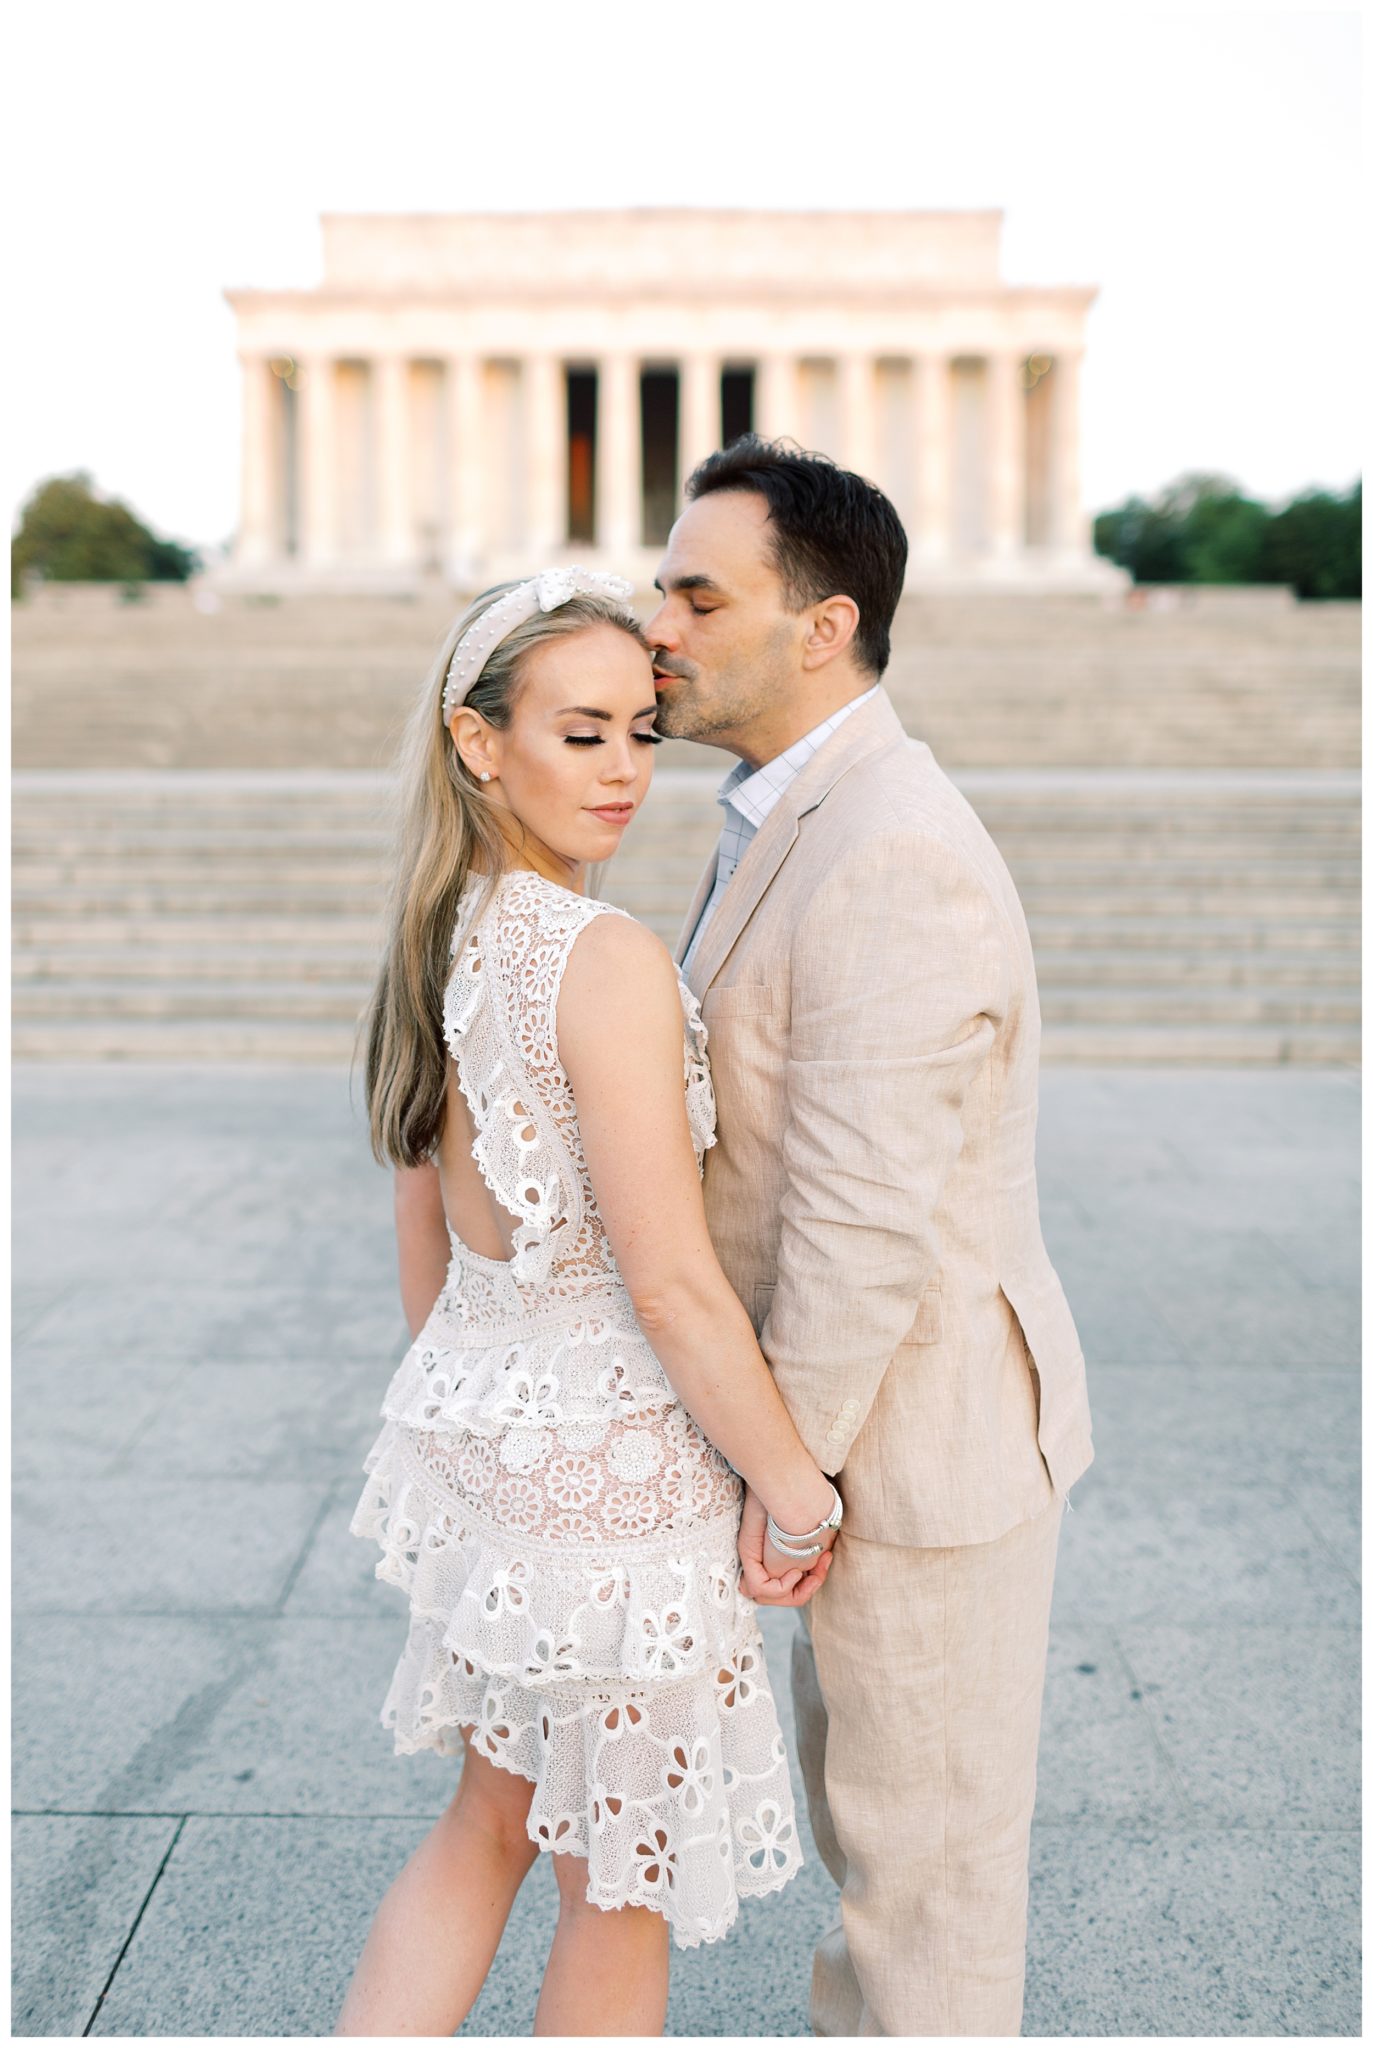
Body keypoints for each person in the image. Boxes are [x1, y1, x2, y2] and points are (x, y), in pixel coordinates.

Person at [338, 566, 839, 2039]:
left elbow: (427, 1226)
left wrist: (485, 1429)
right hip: (613, 1482)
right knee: (615, 1884)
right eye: (580, 733)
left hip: (488, 1437)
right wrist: (794, 1494)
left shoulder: (442, 928)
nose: (624, 769)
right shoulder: (598, 958)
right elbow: (671, 1285)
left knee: (487, 1828)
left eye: (640, 731)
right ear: (479, 740)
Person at [645, 436, 1097, 2038]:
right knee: (887, 1872)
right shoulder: (794, 813)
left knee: (924, 1901)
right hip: (859, 1447)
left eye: (698, 597)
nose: (656, 627)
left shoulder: (889, 845)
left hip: (910, 1453)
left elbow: (859, 1223)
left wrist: (789, 1478)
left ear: (822, 626)